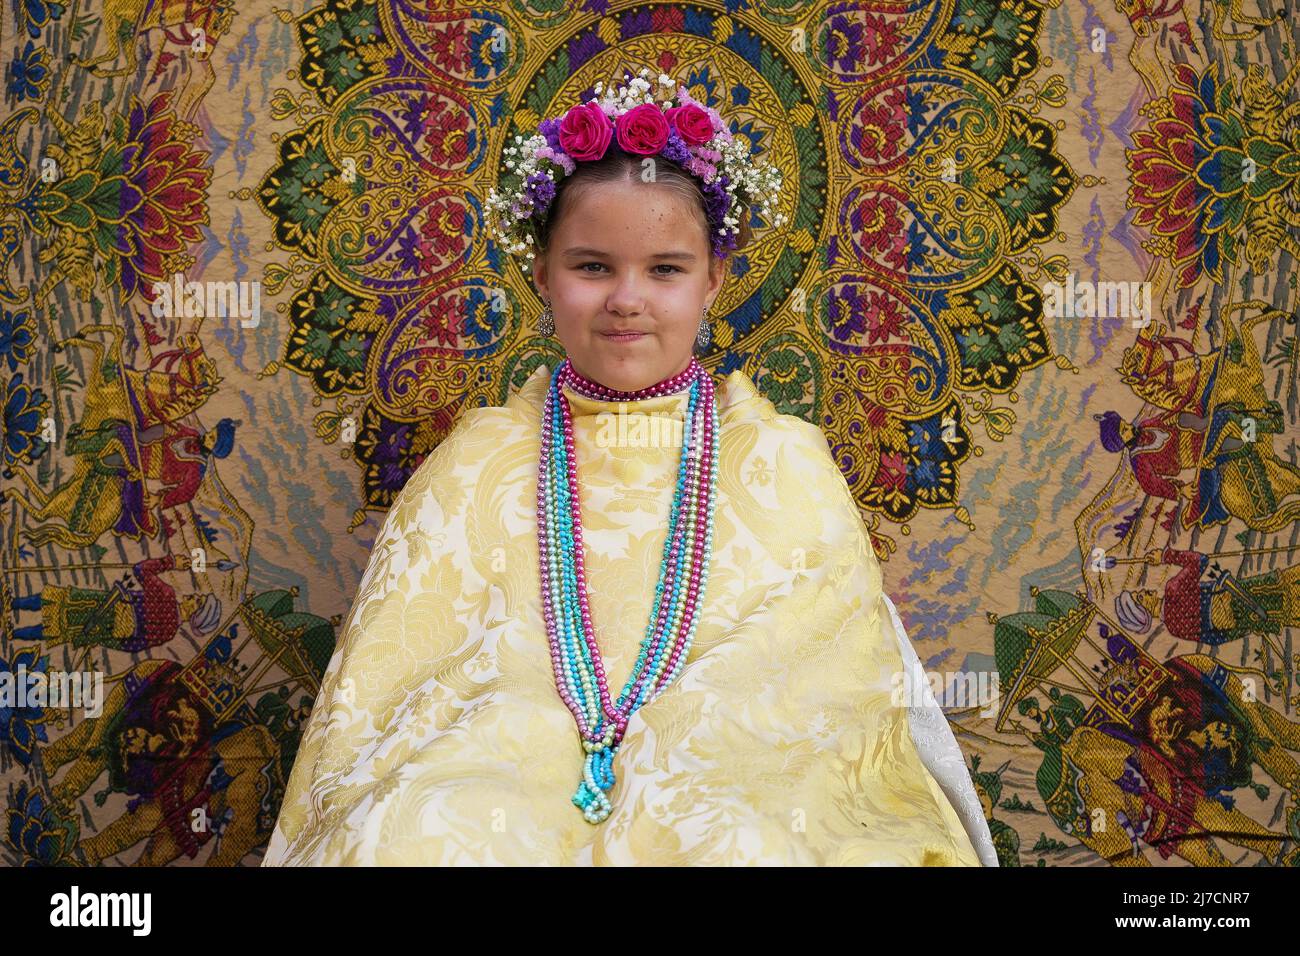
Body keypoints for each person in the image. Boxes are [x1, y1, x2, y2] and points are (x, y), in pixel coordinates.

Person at [262, 69, 995, 866]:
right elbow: (396, 696)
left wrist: (672, 760)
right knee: (401, 840)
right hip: (494, 769)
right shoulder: (476, 459)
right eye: (593, 267)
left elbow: (814, 692)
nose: (627, 299)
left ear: (716, 277)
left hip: (730, 769)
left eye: (665, 270)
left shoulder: (781, 458)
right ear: (541, 273)